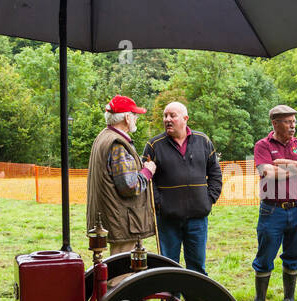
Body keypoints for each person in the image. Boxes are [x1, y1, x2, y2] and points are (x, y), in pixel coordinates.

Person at [142, 101, 222, 274]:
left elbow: (215, 173)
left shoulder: (203, 141)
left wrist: (209, 200)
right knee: (168, 269)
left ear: (185, 118)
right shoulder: (154, 145)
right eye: (165, 116)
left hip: (198, 218)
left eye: (172, 115)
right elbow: (149, 179)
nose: (167, 119)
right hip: (167, 219)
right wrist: (159, 203)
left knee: (197, 268)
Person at [251, 104, 297, 301]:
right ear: (275, 123)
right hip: (272, 210)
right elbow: (268, 173)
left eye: (294, 121)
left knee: (294, 254)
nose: (293, 126)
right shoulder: (262, 145)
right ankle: (260, 300)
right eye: (288, 122)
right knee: (265, 255)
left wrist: (282, 162)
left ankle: (289, 299)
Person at [86, 95, 157, 254]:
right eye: (135, 115)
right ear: (127, 117)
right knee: (122, 272)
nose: (136, 119)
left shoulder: (104, 136)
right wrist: (147, 172)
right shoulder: (117, 144)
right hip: (122, 222)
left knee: (114, 269)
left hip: (112, 219)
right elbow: (129, 186)